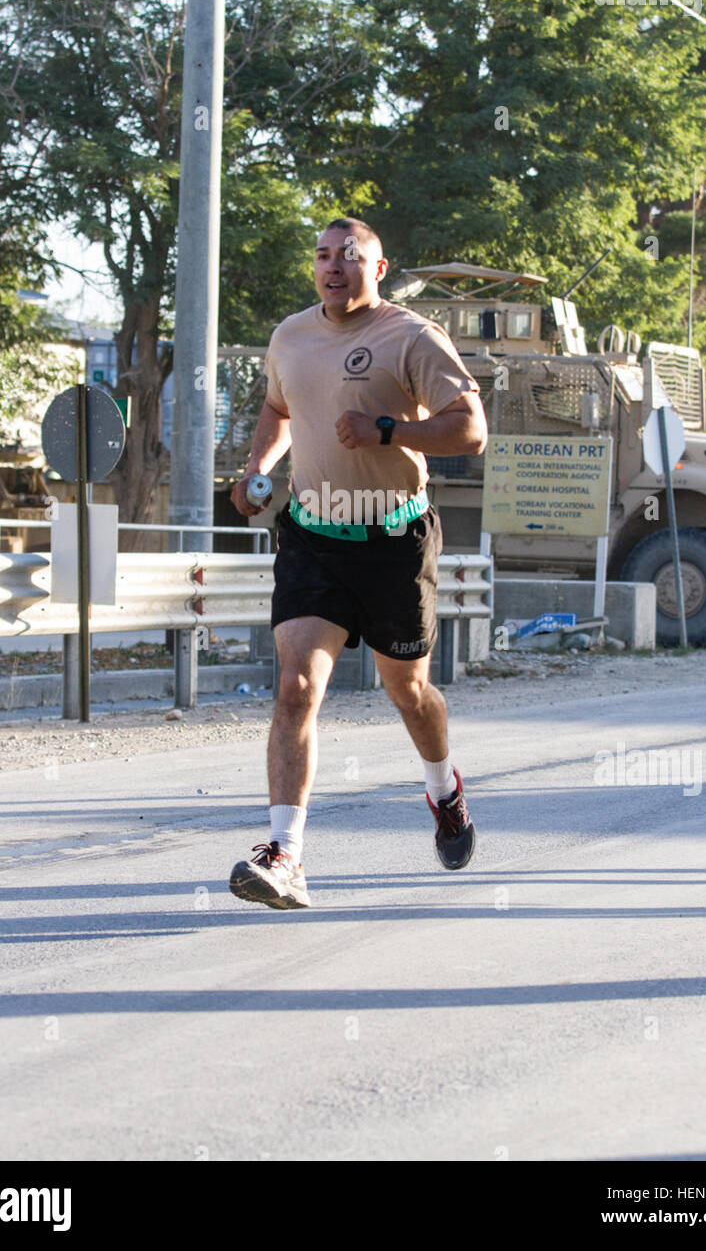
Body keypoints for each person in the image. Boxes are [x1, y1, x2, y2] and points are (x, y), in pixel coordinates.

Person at [228, 217, 488, 909]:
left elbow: (471, 430)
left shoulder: (411, 337)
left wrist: (391, 430)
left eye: (349, 256)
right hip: (314, 538)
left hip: (393, 542)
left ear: (379, 267)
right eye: (322, 256)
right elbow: (279, 408)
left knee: (407, 692)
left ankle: (443, 790)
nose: (332, 266)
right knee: (294, 688)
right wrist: (256, 467)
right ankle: (285, 854)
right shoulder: (290, 336)